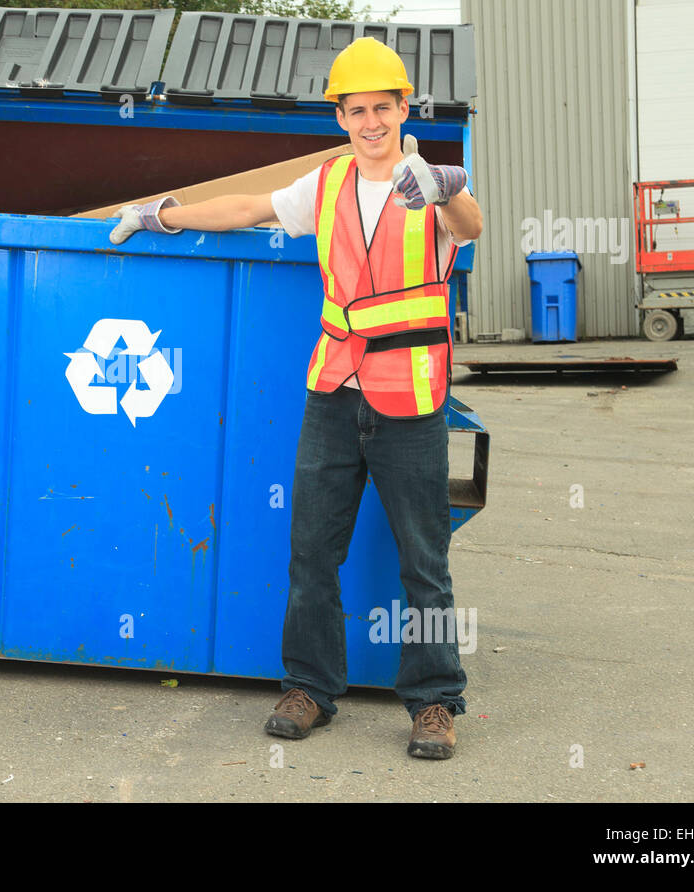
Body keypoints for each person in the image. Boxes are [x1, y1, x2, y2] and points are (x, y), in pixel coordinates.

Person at [108, 37, 483, 760]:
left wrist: (452, 189)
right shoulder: (329, 182)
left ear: (404, 107)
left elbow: (471, 230)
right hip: (335, 391)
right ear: (340, 115)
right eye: (356, 109)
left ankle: (435, 701)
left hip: (410, 396)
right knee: (312, 551)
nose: (370, 121)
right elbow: (248, 206)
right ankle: (311, 687)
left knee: (424, 561)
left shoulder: (428, 181)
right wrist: (165, 214)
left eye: (383, 107)